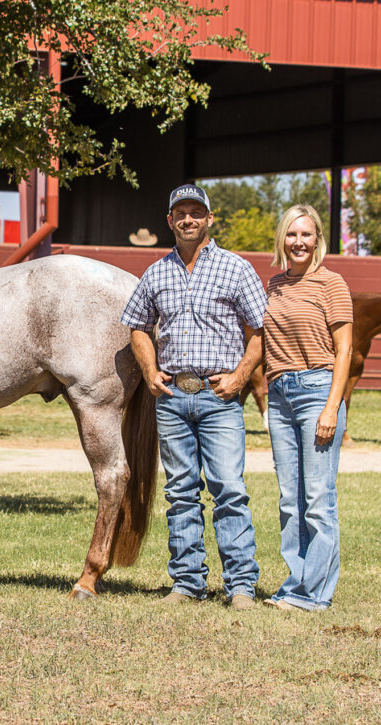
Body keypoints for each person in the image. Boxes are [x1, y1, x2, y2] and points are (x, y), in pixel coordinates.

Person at [121, 184, 267, 610]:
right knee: (181, 491)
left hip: (218, 396)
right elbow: (136, 325)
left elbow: (260, 331)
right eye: (180, 213)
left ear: (209, 218)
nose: (188, 219)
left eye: (196, 212)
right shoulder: (157, 272)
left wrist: (240, 378)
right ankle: (187, 583)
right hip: (171, 397)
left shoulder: (236, 268)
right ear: (170, 220)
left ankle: (240, 586)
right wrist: (149, 371)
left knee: (229, 489)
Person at [262, 205, 352, 611]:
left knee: (317, 498)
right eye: (291, 235)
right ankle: (296, 584)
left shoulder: (331, 284)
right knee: (289, 499)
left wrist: (332, 407)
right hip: (280, 394)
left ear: (318, 239)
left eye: (306, 235)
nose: (298, 242)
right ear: (282, 239)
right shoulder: (274, 285)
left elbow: (345, 349)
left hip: (318, 389)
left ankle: (315, 594)